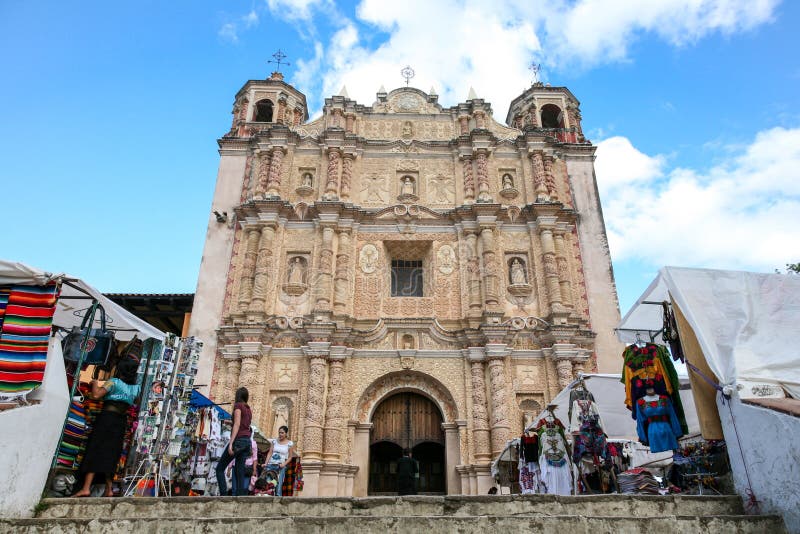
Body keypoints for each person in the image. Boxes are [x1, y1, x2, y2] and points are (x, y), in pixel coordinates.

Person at [73, 357, 141, 497]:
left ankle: (86, 488)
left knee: (95, 449)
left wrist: (94, 383)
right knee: (112, 454)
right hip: (121, 422)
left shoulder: (114, 382)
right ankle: (109, 489)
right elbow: (133, 402)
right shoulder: (136, 388)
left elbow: (96, 395)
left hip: (106, 419)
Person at [216, 387, 253, 496]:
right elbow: (243, 424)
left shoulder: (238, 406)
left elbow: (237, 424)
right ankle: (241, 496)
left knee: (220, 468)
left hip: (239, 440)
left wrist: (231, 443)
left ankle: (223, 494)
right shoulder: (248, 409)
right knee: (239, 471)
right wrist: (229, 423)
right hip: (247, 441)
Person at [265, 425, 295, 496]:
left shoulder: (289, 444)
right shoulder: (274, 441)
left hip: (280, 466)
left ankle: (278, 501)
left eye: (282, 433)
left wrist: (284, 464)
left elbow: (290, 457)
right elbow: (270, 453)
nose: (280, 434)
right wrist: (266, 463)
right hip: (270, 464)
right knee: (268, 482)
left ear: (286, 434)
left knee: (278, 484)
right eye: (279, 433)